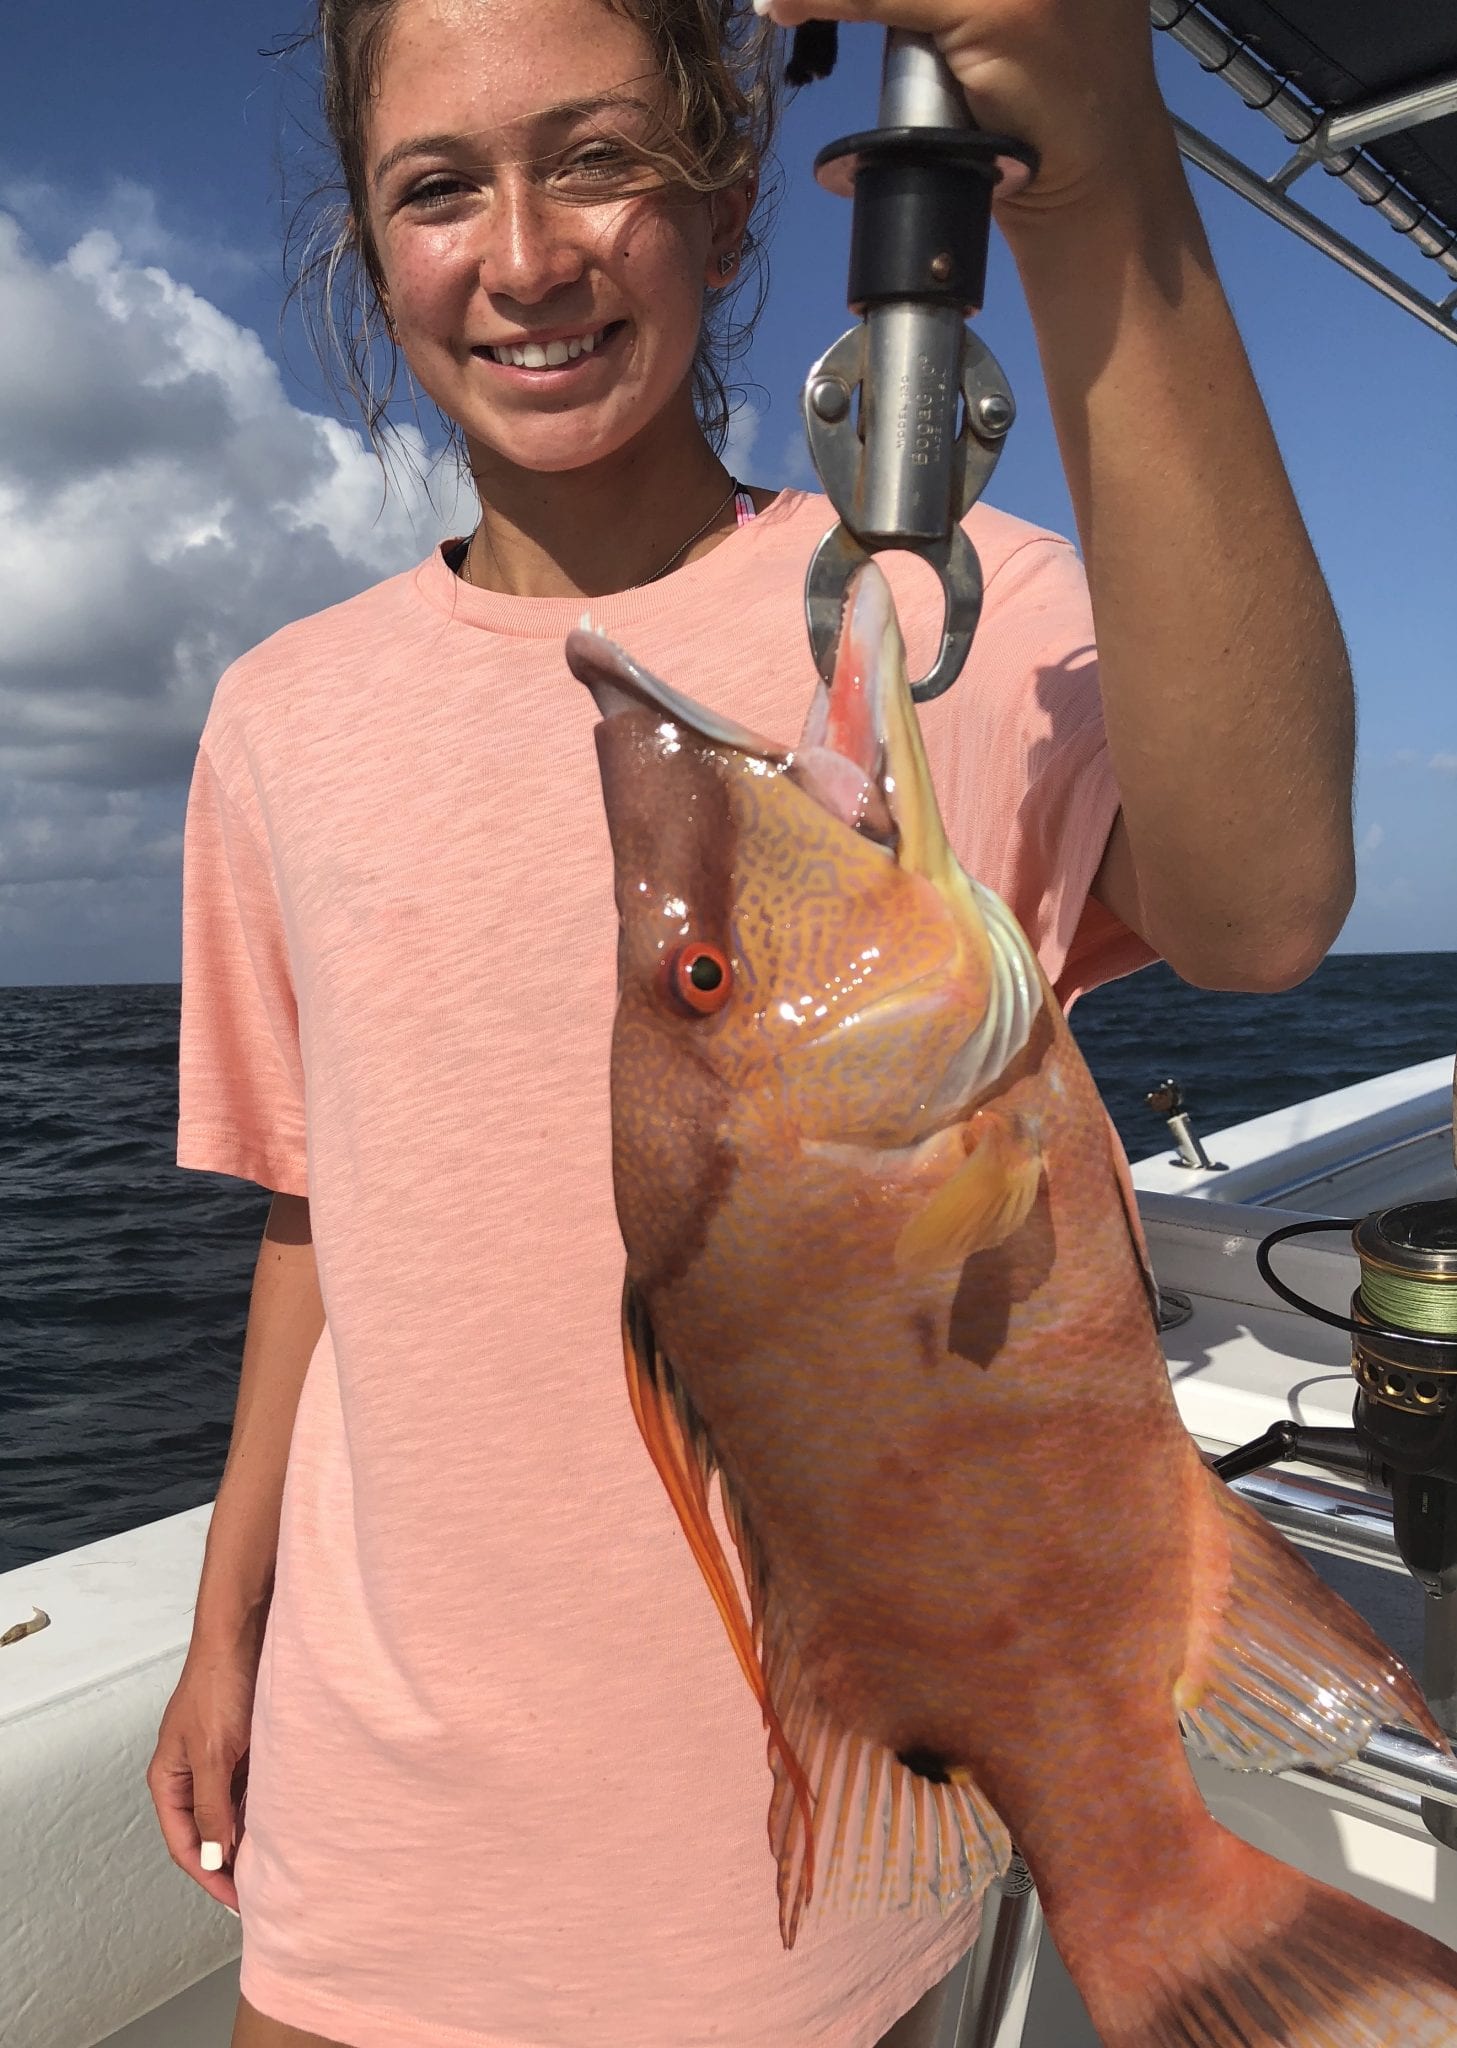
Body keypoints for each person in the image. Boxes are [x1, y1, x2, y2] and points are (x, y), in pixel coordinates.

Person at [147, 0, 1355, 2041]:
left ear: (725, 205)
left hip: (784, 1852)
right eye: (438, 187)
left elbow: (1264, 904)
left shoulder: (947, 609)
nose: (523, 255)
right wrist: (220, 1626)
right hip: (367, 1823)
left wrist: (1096, 170)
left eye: (597, 160)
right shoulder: (280, 718)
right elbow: (316, 1214)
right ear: (371, 253)